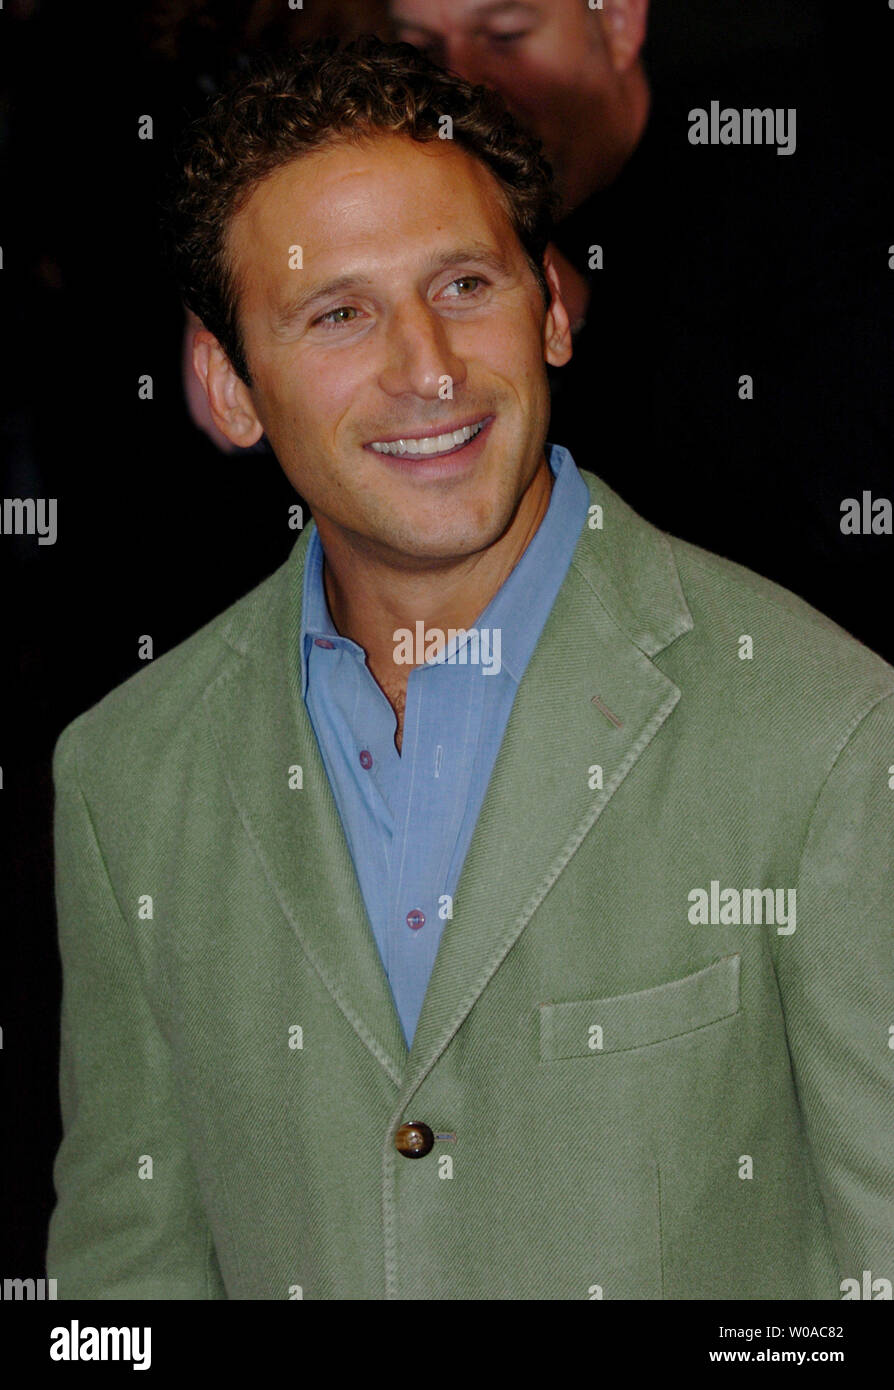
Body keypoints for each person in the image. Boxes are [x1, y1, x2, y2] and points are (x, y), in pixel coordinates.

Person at [46, 37, 894, 1300]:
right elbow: (123, 1288)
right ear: (227, 386)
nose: (427, 367)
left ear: (554, 307)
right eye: (338, 313)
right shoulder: (125, 774)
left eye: (464, 285)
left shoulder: (820, 725)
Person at [389, 0, 894, 662]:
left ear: (620, 23)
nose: (460, 87)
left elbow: (834, 525)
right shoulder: (428, 197)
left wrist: (576, 321)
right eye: (424, 50)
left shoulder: (803, 165)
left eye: (506, 36)